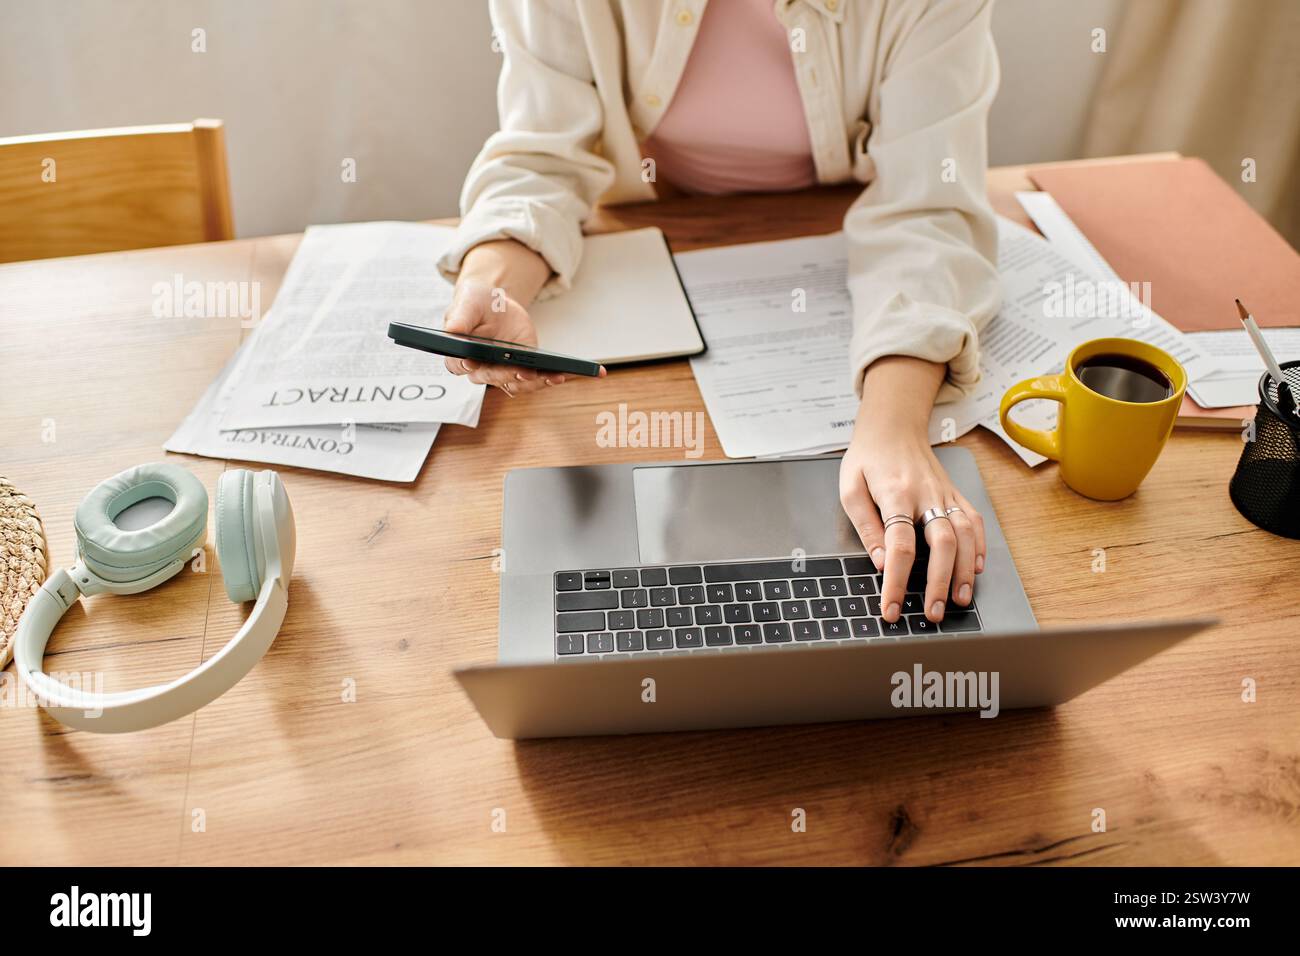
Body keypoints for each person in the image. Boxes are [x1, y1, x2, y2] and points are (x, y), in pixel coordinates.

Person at [436, 0, 1001, 627]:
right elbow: (541, 162)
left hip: (838, 242)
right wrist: (494, 285)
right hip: (655, 241)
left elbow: (927, 208)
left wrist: (892, 427)